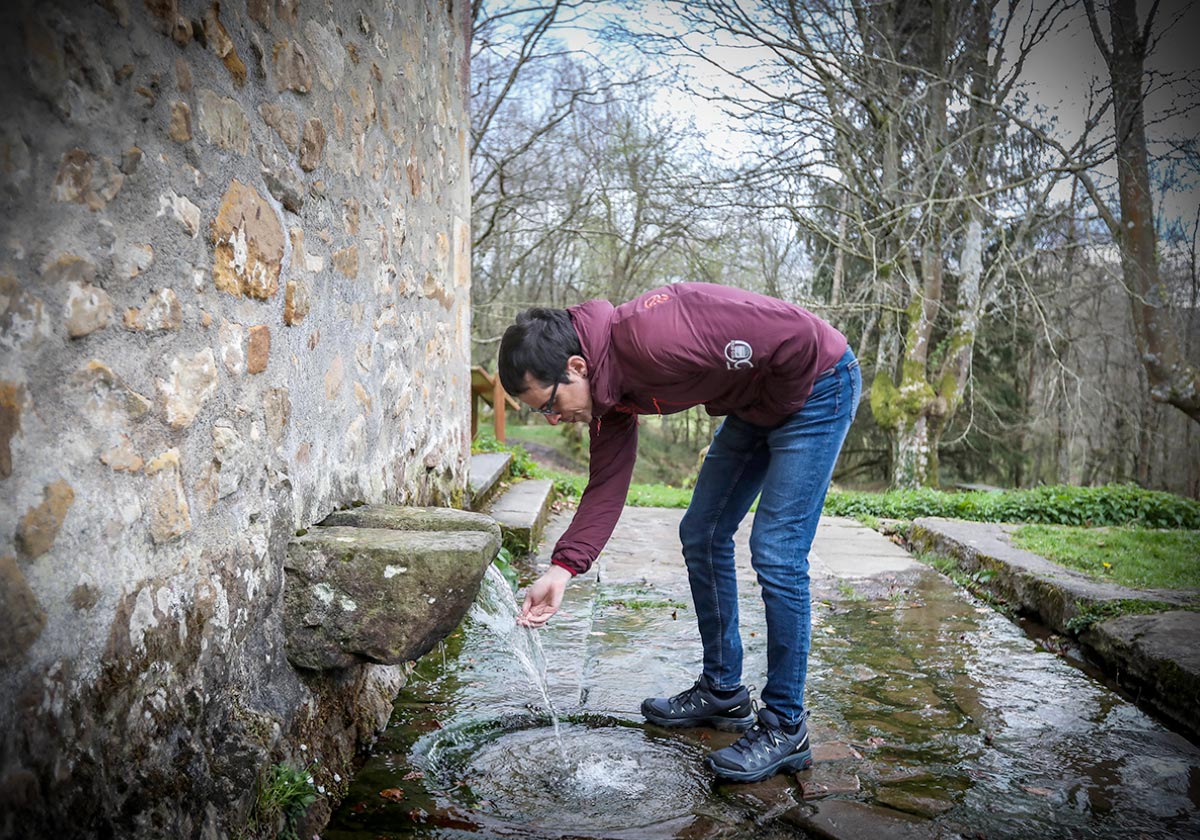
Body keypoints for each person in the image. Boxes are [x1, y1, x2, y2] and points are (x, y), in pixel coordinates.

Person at [497, 282, 860, 783]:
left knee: (777, 550)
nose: (554, 418)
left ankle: (785, 725)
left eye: (548, 405)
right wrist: (561, 570)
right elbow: (606, 484)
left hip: (816, 382)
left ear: (576, 366)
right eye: (542, 413)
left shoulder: (653, 338)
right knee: (702, 532)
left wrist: (773, 413)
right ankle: (724, 690)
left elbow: (796, 337)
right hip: (761, 399)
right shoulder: (610, 390)